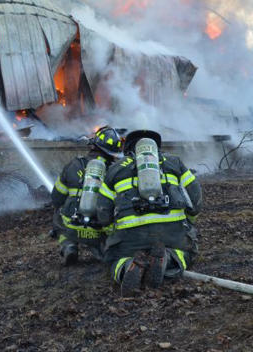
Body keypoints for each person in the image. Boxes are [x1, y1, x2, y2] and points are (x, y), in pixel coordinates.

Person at [96, 129, 201, 295]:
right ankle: (168, 259)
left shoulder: (115, 169)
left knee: (112, 259)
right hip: (172, 234)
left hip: (131, 238)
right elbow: (195, 197)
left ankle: (126, 267)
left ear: (128, 149)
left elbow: (102, 211)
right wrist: (189, 221)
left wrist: (112, 233)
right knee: (187, 252)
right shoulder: (174, 162)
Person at [50, 125, 122, 265]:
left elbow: (56, 198)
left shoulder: (74, 165)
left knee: (58, 213)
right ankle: (104, 248)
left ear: (93, 145)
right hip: (99, 229)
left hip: (72, 225)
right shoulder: (114, 171)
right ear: (112, 153)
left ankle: (69, 245)